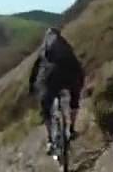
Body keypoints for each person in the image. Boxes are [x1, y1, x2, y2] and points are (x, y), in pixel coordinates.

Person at [27, 26, 85, 159]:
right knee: (74, 101)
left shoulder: (44, 48)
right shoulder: (66, 47)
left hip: (50, 78)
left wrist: (32, 87)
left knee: (46, 110)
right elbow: (77, 65)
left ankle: (50, 140)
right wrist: (80, 82)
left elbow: (35, 70)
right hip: (71, 76)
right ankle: (71, 130)